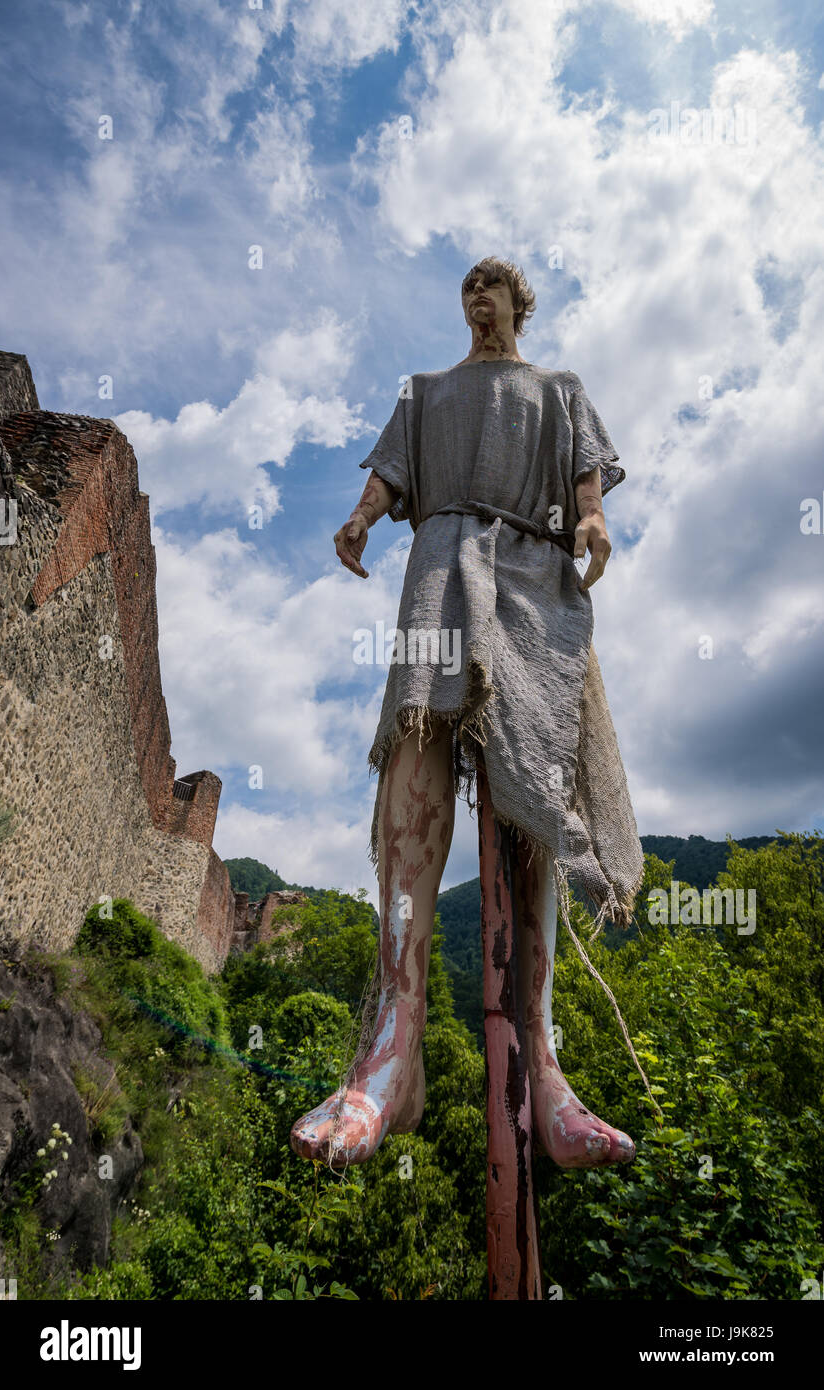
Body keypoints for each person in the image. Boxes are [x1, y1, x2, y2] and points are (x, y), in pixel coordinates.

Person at [291, 257, 644, 1169]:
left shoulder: (557, 389)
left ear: (518, 305)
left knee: (533, 786)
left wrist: (593, 523)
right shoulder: (426, 390)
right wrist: (363, 515)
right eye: (465, 291)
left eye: (490, 289)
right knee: (414, 751)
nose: (474, 301)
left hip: (534, 578)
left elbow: (585, 482)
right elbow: (392, 472)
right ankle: (392, 1050)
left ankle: (542, 1061)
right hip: (442, 569)